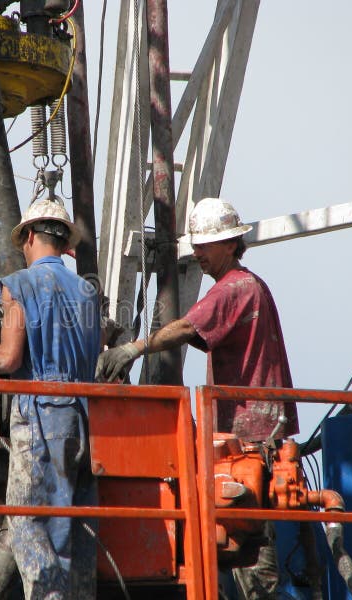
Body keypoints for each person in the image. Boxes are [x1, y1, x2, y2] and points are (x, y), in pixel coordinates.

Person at [96, 197, 298, 599]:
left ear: (231, 244)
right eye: (197, 246)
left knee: (251, 556)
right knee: (239, 548)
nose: (199, 254)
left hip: (251, 438)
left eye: (206, 246)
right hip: (255, 432)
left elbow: (189, 327)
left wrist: (134, 348)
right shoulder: (248, 286)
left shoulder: (235, 287)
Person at [0, 199, 101, 600]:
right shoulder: (87, 292)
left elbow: (8, 359)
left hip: (40, 414)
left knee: (28, 519)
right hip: (85, 419)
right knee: (74, 523)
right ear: (64, 243)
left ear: (29, 236)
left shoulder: (19, 284)